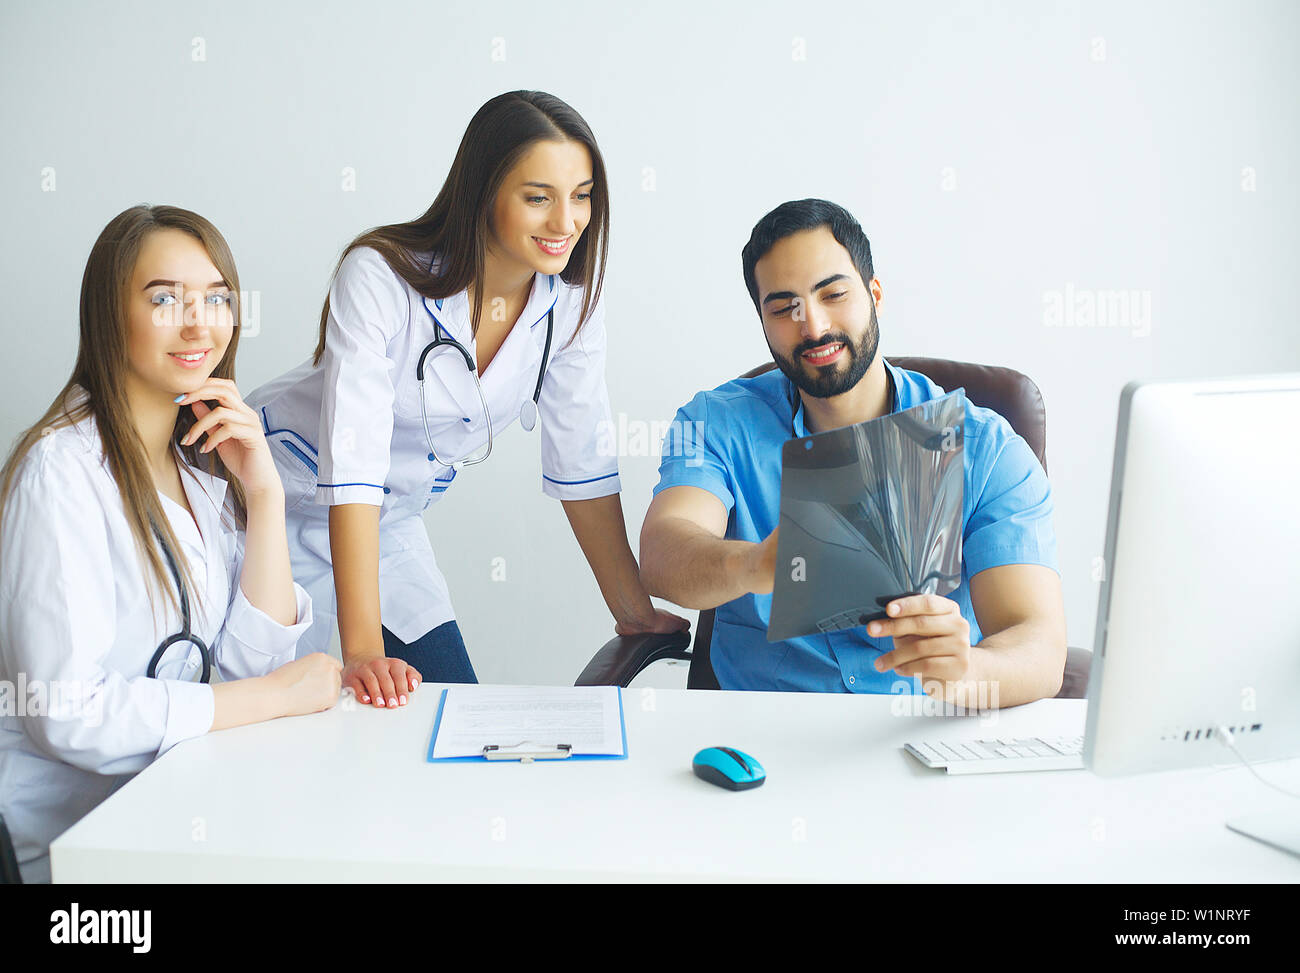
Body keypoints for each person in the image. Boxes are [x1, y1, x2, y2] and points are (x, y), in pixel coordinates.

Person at [248, 90, 685, 709]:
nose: (566, 222)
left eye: (582, 195)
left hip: (386, 528)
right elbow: (355, 467)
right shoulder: (379, 277)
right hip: (260, 513)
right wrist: (365, 649)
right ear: (482, 192)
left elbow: (582, 461)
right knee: (292, 714)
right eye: (538, 197)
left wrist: (633, 612)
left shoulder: (571, 303)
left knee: (450, 707)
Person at [0, 205, 341, 883]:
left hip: (174, 812)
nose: (200, 322)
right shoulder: (60, 473)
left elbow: (242, 665)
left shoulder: (198, 470)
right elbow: (65, 712)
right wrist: (272, 697)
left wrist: (266, 495)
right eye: (165, 299)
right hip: (72, 849)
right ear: (108, 314)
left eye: (217, 298)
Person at [639, 199, 1067, 706]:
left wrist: (966, 670)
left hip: (920, 729)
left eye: (833, 294)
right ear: (762, 321)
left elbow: (1038, 648)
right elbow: (664, 553)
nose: (813, 327)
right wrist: (756, 564)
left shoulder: (986, 447)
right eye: (783, 308)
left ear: (874, 294)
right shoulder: (714, 422)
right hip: (765, 741)